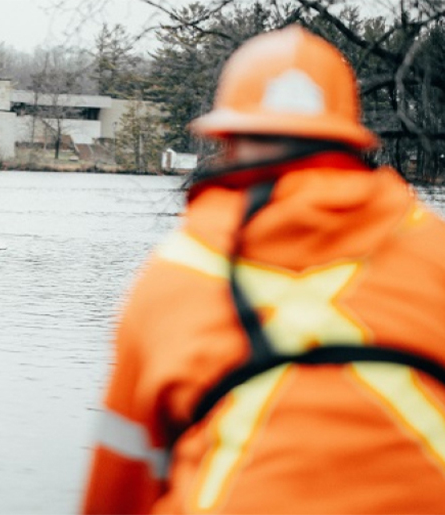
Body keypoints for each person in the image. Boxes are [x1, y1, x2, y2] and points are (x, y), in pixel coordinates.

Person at [82, 26, 445, 514]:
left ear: (228, 140)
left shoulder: (176, 273)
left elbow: (119, 488)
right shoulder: (433, 250)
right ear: (349, 141)